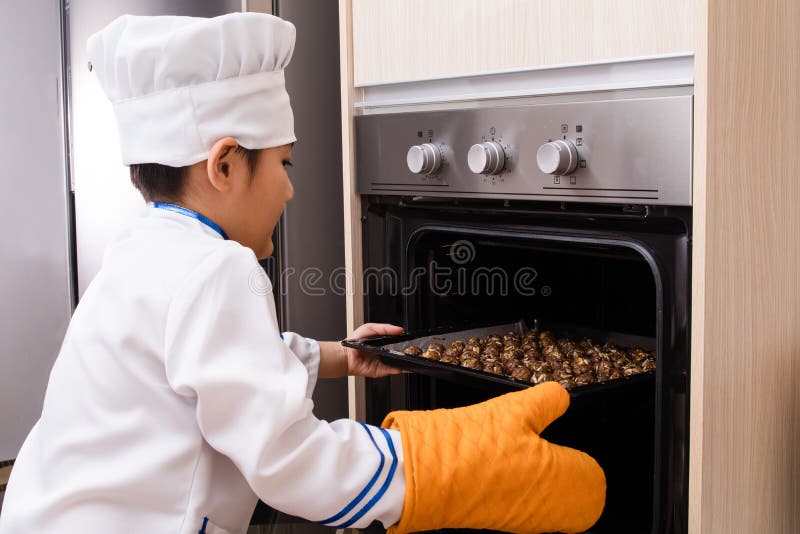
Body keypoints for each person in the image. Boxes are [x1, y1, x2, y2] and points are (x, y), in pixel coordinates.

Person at [0, 13, 605, 534]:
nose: (290, 189)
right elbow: (290, 459)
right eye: (284, 164)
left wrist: (340, 356)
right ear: (226, 164)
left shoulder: (146, 249)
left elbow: (219, 367)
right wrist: (435, 463)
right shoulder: (217, 266)